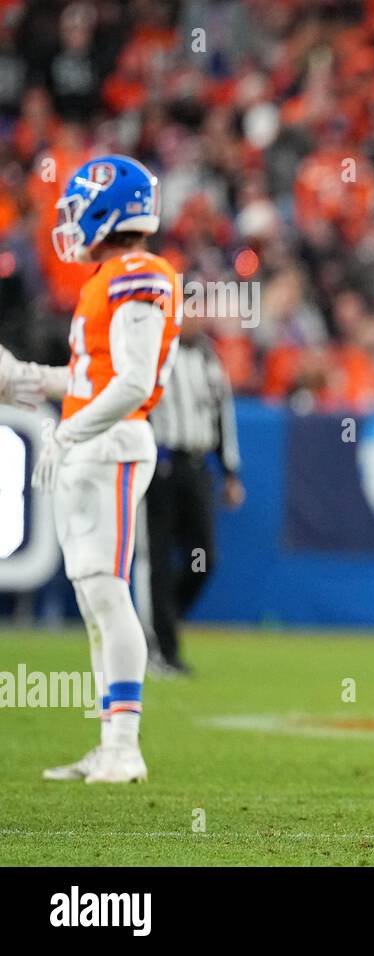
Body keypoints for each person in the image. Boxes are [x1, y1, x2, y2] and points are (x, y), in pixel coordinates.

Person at [0, 155, 180, 784]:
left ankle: (126, 747)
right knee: (93, 595)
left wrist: (70, 429)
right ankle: (110, 744)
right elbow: (88, 380)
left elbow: (132, 383)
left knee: (106, 591)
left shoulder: (139, 274)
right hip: (96, 442)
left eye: (79, 211)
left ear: (111, 210)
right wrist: (23, 380)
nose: (72, 225)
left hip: (114, 444)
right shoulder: (110, 278)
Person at [137, 312, 244, 676]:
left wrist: (230, 472)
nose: (197, 318)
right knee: (160, 560)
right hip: (161, 465)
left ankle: (163, 625)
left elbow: (222, 416)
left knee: (204, 557)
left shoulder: (209, 357)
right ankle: (163, 647)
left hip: (197, 467)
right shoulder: (154, 353)